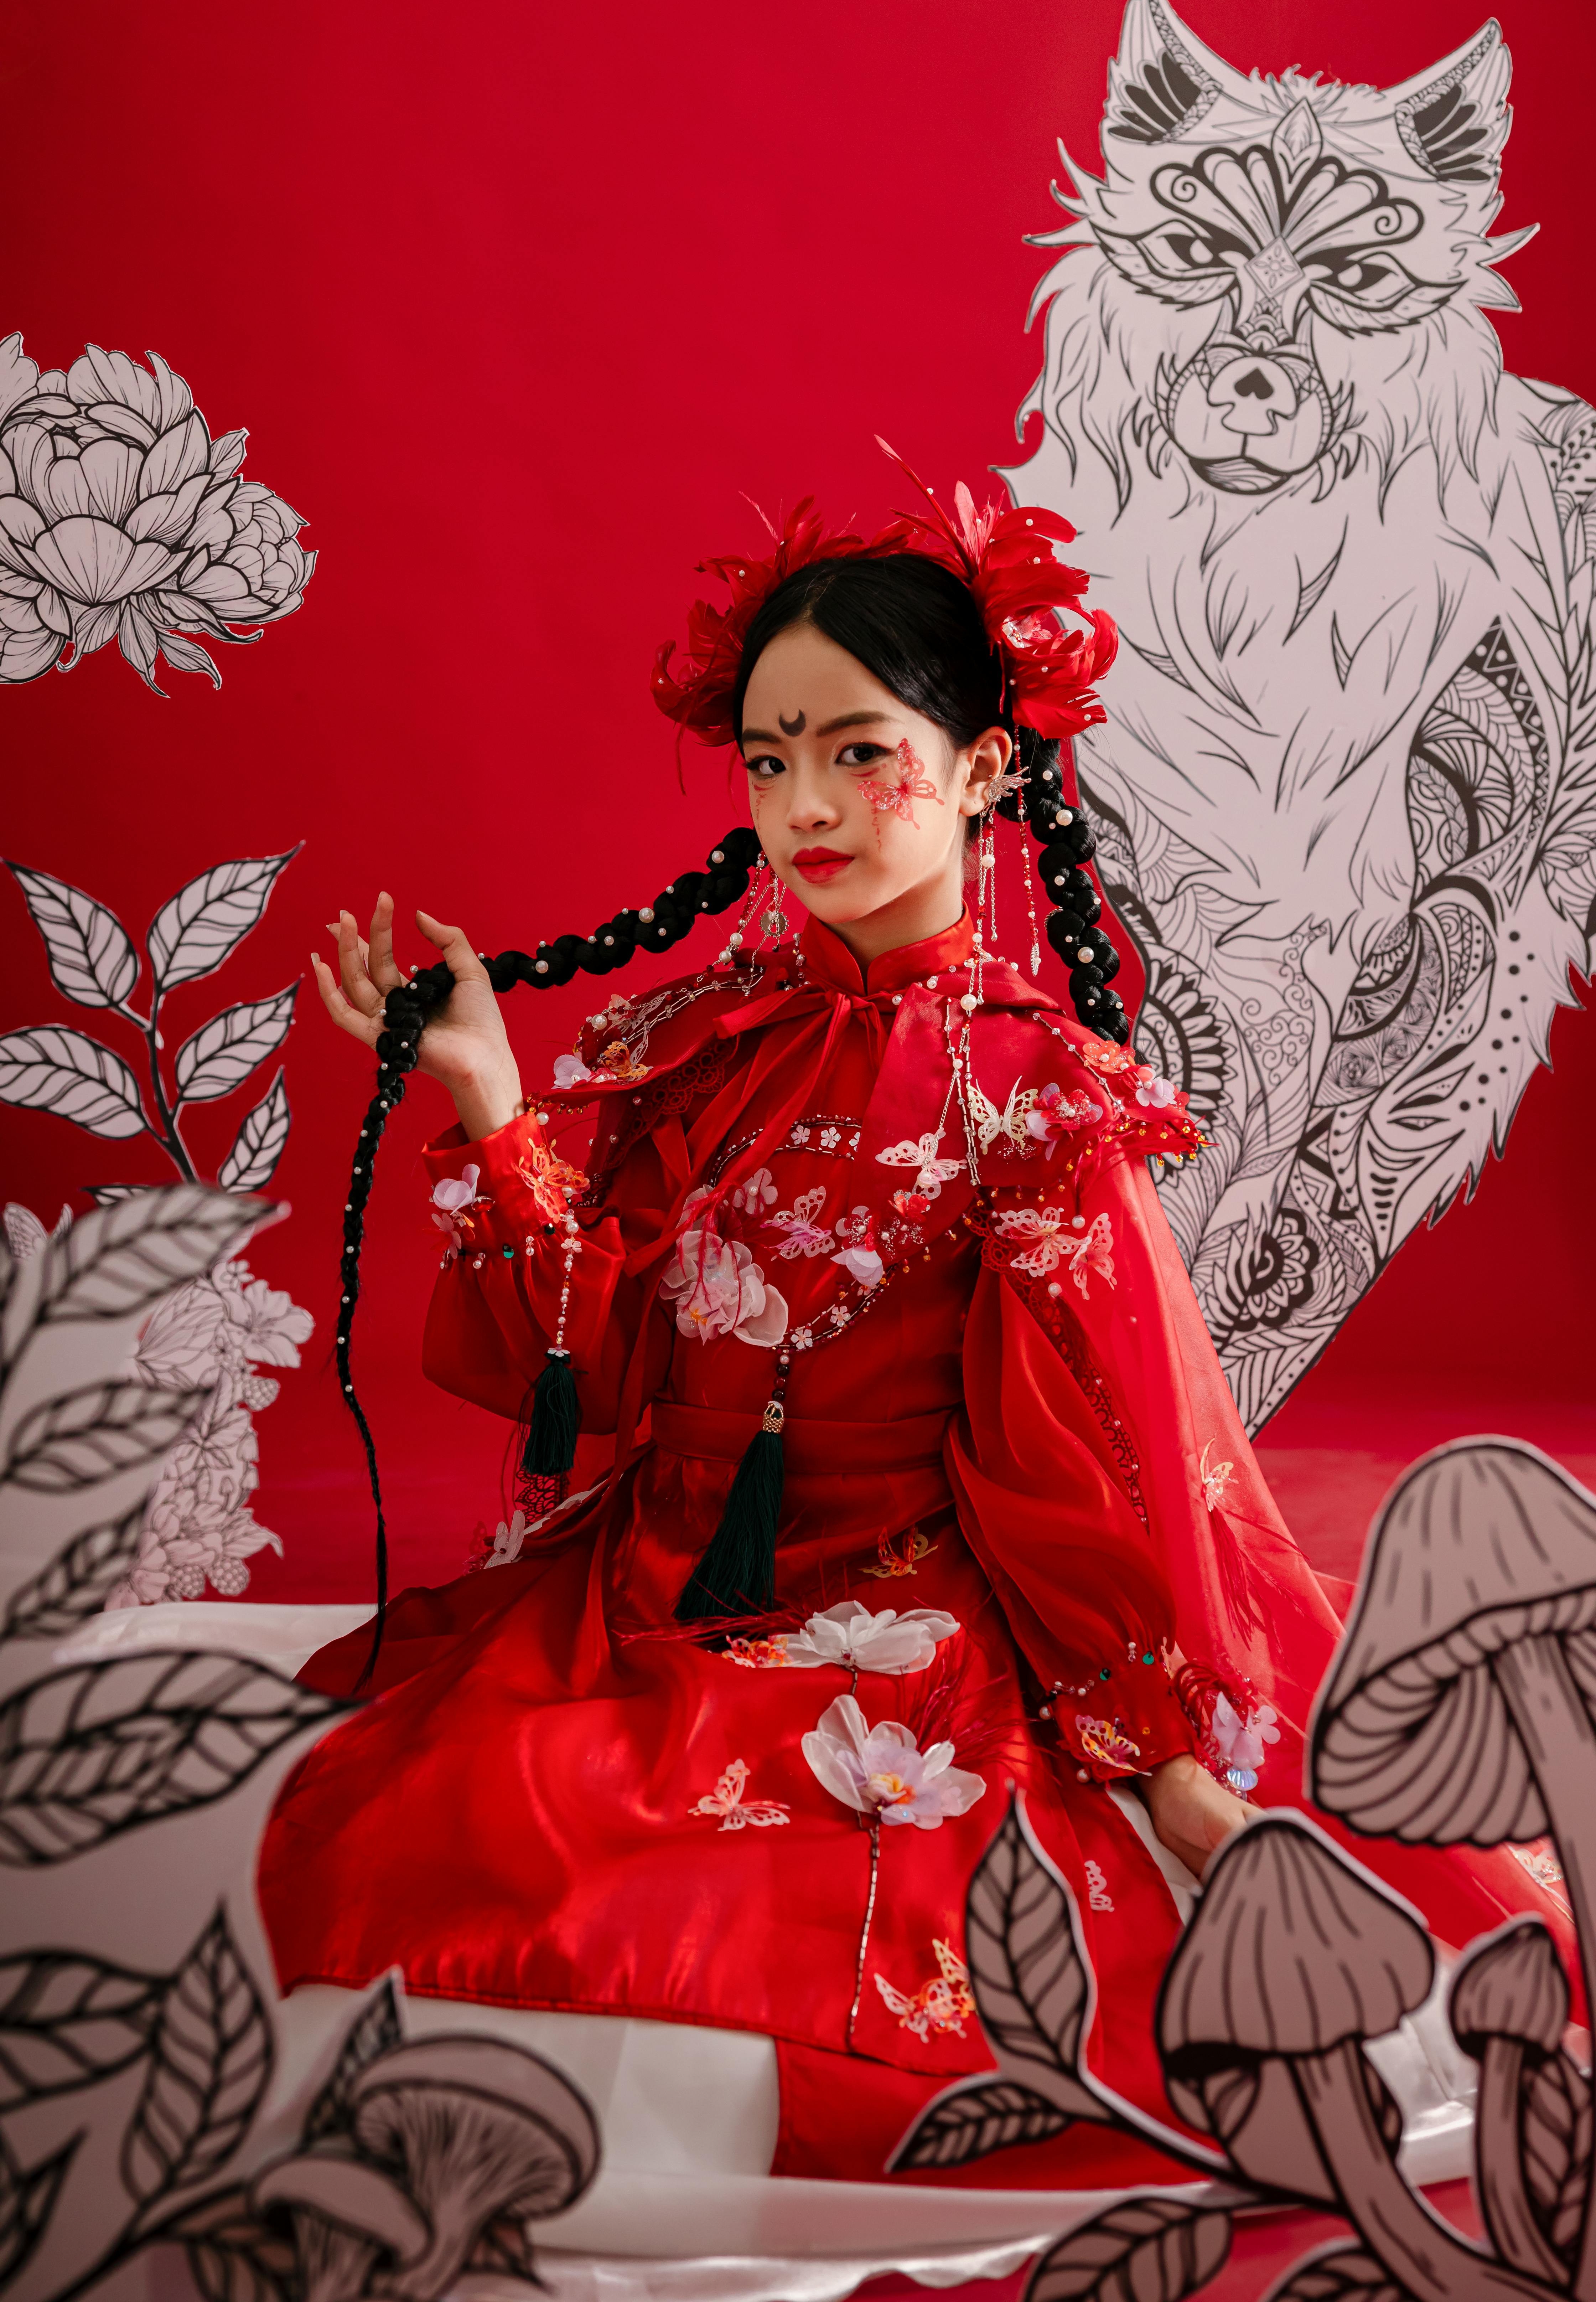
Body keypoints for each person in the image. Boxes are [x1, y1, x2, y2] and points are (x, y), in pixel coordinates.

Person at [259, 469, 1544, 2190]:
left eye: (860, 750)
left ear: (986, 770)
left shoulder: (1035, 1101)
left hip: (912, 1584)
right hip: (657, 1576)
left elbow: (1077, 1444)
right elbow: (596, 1366)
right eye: (772, 759)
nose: (808, 802)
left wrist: (1154, 1762)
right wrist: (494, 1107)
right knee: (421, 1838)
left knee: (769, 1923)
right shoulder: (700, 1042)